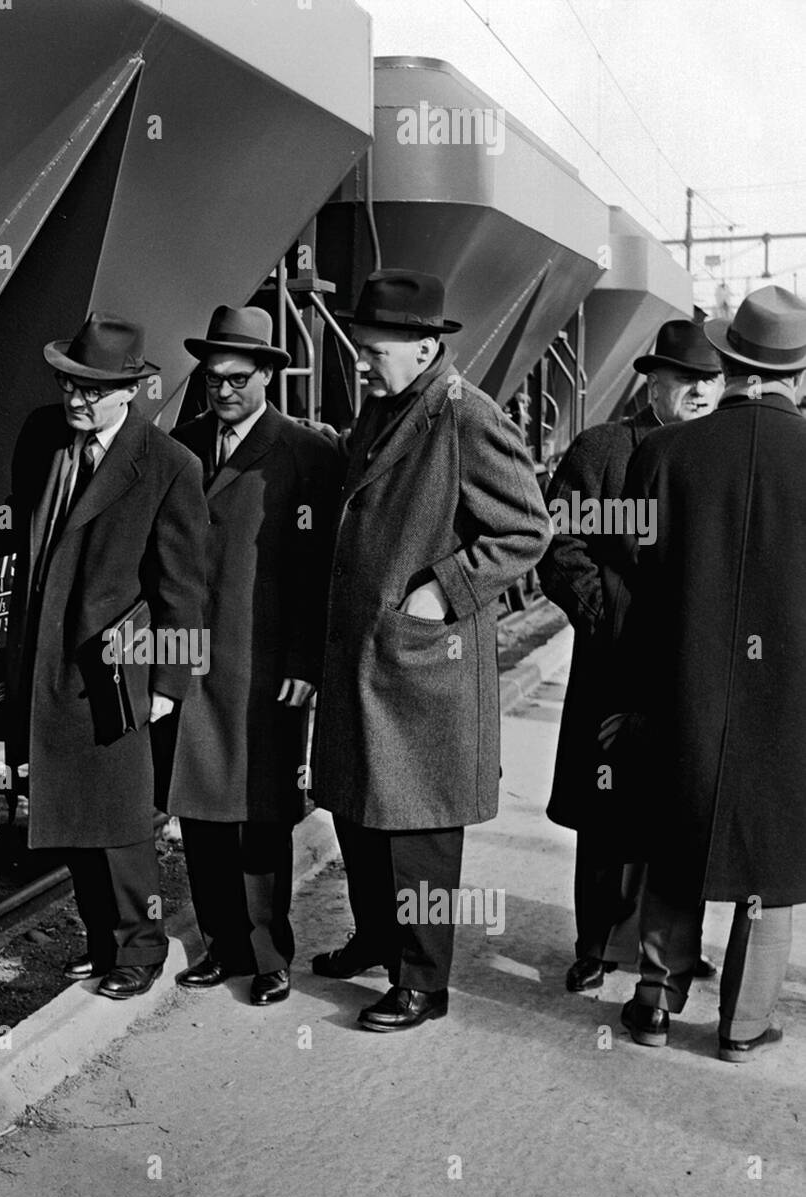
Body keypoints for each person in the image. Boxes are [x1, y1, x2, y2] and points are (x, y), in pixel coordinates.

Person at [0, 312, 207, 999]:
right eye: (68, 385)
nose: (74, 400)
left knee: (118, 824)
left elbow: (184, 589)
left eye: (91, 391)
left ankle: (140, 951)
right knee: (73, 820)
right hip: (45, 659)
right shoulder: (43, 435)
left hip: (112, 671)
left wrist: (170, 682)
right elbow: (25, 516)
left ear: (132, 391)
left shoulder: (169, 467)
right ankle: (101, 944)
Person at [310, 269, 551, 1032]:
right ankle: (379, 937)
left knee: (418, 831)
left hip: (423, 662)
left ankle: (423, 981)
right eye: (360, 349)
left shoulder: (465, 416)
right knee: (359, 812)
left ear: (423, 349)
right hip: (369, 657)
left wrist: (442, 593)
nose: (362, 363)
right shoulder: (384, 407)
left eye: (375, 351)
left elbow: (526, 528)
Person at [608, 285, 806, 1061]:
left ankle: (654, 1002)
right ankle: (743, 1025)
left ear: (727, 365)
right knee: (774, 854)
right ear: (797, 374)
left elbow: (637, 576)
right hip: (790, 699)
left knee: (675, 833)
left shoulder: (662, 453)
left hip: (679, 683)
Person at [158, 305, 338, 1006]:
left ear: (267, 374)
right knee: (200, 813)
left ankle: (269, 955)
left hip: (266, 665)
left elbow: (317, 570)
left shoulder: (306, 453)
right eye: (212, 379)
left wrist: (304, 661)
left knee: (260, 812)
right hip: (194, 656)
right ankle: (221, 945)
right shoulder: (185, 443)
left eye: (237, 378)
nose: (223, 391)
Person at [537, 320, 722, 993]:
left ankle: (673, 948)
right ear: (652, 380)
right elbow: (560, 546)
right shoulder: (605, 451)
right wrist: (603, 615)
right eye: (684, 379)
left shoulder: (720, 455)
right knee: (609, 807)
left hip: (692, 666)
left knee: (683, 808)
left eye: (711, 380)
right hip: (617, 663)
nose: (699, 392)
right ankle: (597, 945)